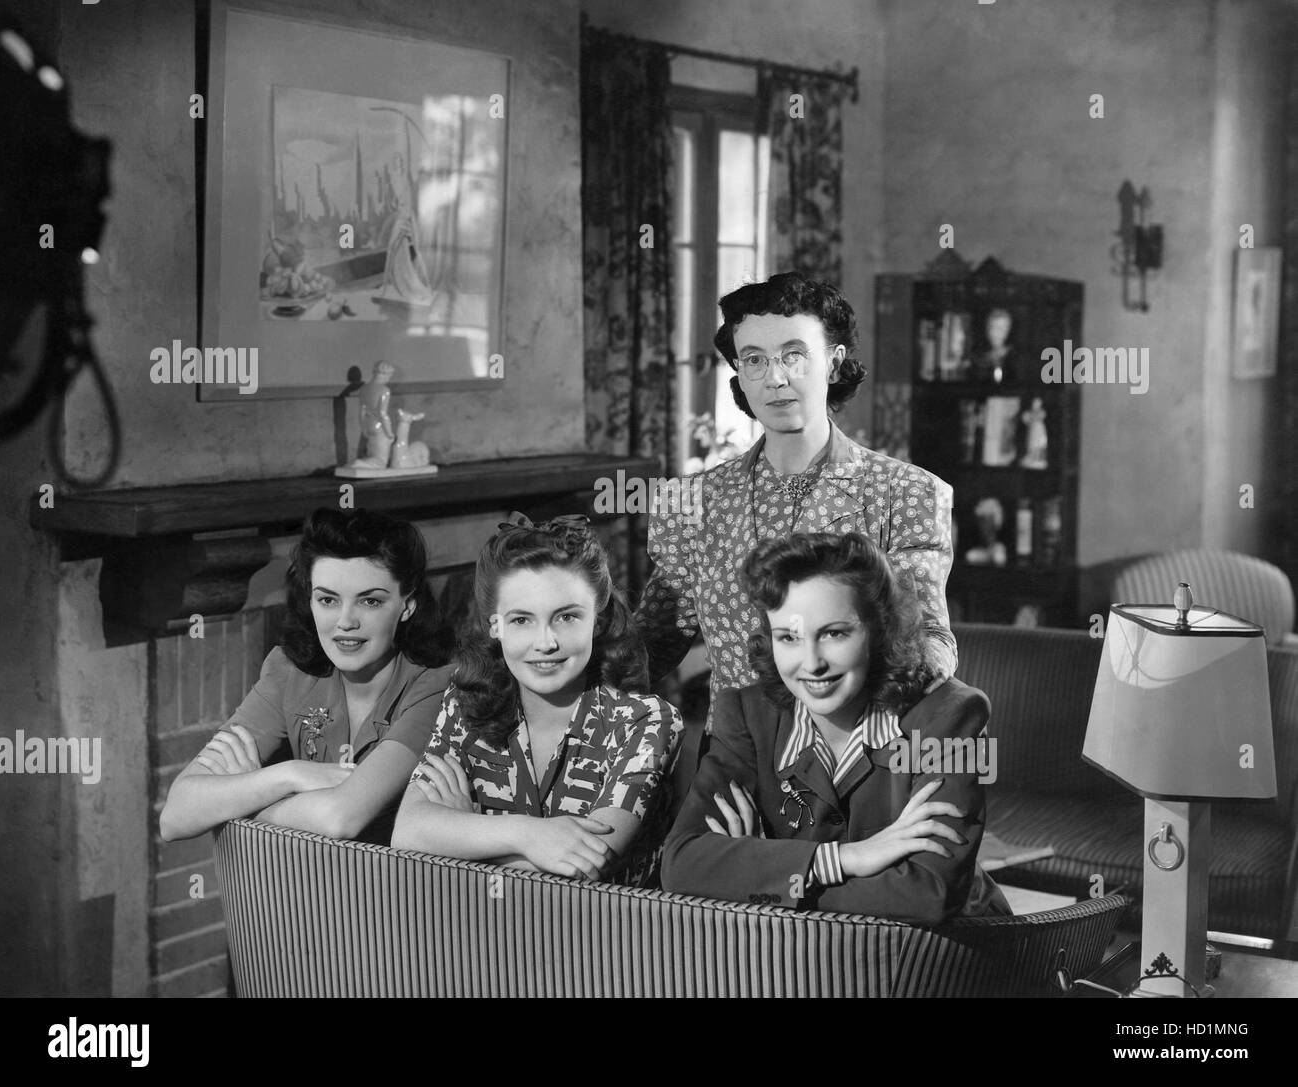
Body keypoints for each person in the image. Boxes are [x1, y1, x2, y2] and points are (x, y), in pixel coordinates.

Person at [638, 272, 956, 733]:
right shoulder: (690, 502)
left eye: (794, 355)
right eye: (754, 360)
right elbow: (650, 646)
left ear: (833, 363)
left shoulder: (905, 493)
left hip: (855, 754)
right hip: (734, 756)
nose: (776, 378)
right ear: (740, 374)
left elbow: (929, 638)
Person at [660, 532, 1008, 923]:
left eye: (834, 633)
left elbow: (929, 894)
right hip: (813, 950)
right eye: (788, 638)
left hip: (948, 948)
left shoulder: (954, 716)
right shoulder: (745, 715)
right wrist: (842, 859)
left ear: (879, 630)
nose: (812, 663)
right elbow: (680, 866)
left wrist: (760, 876)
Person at [392, 515, 683, 886]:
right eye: (521, 620)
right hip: (482, 917)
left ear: (596, 620)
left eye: (567, 617)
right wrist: (525, 835)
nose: (546, 642)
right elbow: (408, 833)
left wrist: (462, 834)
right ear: (495, 626)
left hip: (600, 923)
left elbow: (589, 863)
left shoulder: (647, 721)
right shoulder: (463, 700)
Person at [159, 508, 451, 845]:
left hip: (396, 878)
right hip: (298, 875)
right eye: (327, 599)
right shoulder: (288, 671)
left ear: (407, 605)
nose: (345, 621)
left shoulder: (436, 687)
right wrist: (288, 775)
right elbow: (175, 817)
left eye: (370, 601)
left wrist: (237, 801)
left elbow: (340, 818)